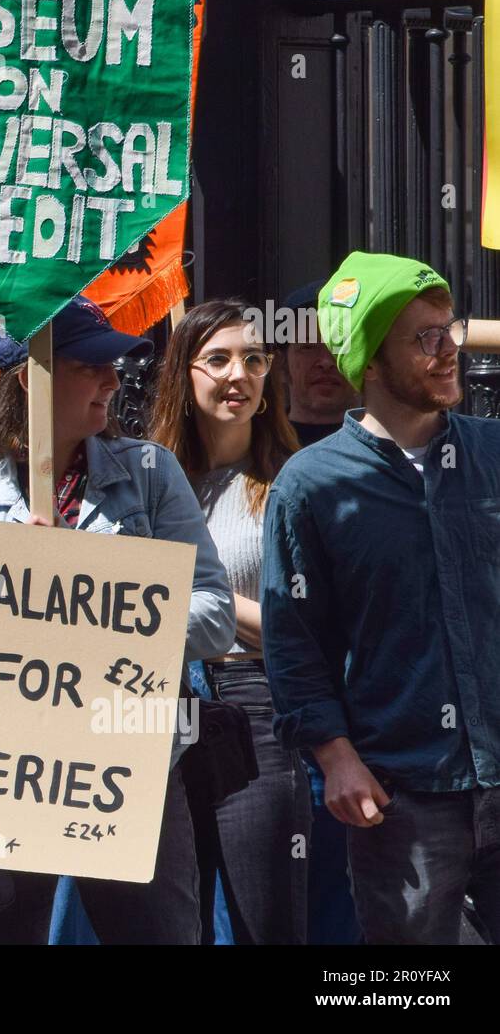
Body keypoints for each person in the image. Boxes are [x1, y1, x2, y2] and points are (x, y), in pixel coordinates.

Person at [0, 298, 237, 945]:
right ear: (28, 380)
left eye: (112, 363)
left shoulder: (152, 474)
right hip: (4, 769)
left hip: (130, 766)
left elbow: (212, 619)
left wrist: (95, 594)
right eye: (90, 364)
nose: (112, 378)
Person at [263, 251, 500, 945]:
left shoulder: (493, 452)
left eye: (449, 330)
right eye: (424, 337)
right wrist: (336, 756)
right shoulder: (310, 486)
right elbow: (292, 641)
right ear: (367, 359)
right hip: (403, 794)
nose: (449, 349)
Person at [149, 299, 310, 944]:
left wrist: (208, 601)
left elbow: (302, 633)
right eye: (217, 359)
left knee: (261, 919)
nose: (237, 374)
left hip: (256, 704)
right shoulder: (145, 477)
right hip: (156, 706)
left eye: (254, 359)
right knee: (164, 922)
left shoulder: (291, 483)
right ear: (183, 375)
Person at [273, 281, 364, 945]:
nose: (322, 356)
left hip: (369, 726)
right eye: (306, 338)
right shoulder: (256, 453)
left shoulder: (387, 455)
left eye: (337, 338)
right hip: (265, 728)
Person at [277, 282, 361, 447]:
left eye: (340, 346)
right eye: (307, 347)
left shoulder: (397, 448)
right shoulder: (260, 454)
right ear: (282, 365)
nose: (325, 361)